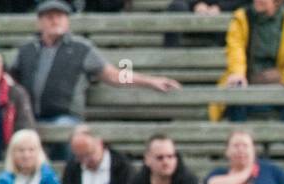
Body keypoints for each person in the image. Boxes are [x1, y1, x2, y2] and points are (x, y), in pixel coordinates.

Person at [11, 0, 179, 131]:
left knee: (65, 131)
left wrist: (151, 81)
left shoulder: (81, 48)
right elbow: (11, 79)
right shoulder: (25, 50)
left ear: (67, 21)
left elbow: (113, 75)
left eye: (59, 16)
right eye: (49, 17)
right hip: (29, 118)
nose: (55, 21)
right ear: (39, 23)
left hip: (66, 117)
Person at [212, 0, 284, 123]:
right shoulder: (242, 17)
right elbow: (235, 48)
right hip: (248, 79)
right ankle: (240, 138)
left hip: (279, 81)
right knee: (234, 95)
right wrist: (238, 73)